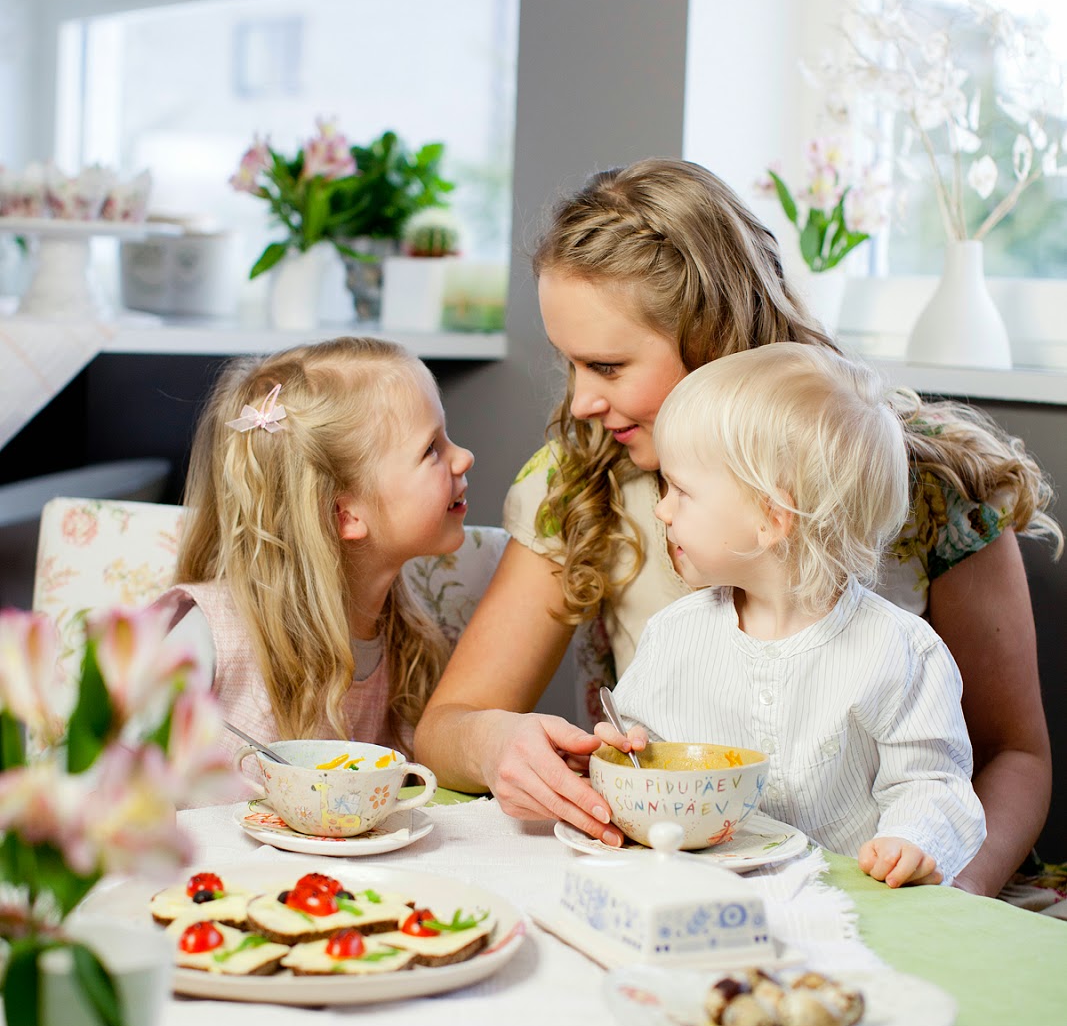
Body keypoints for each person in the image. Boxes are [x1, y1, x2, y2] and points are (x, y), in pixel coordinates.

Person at [414, 158, 1060, 895]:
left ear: (710, 331)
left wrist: (943, 899)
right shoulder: (581, 480)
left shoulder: (916, 478)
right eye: (570, 365)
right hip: (698, 881)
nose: (582, 402)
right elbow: (448, 727)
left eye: (607, 365)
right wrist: (498, 741)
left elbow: (1014, 755)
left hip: (902, 884)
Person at [593, 343, 985, 887]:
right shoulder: (675, 635)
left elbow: (932, 783)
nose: (662, 509)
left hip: (847, 906)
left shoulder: (900, 651)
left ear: (771, 518)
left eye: (680, 491)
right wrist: (620, 755)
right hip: (699, 888)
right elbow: (644, 750)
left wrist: (913, 841)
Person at [164, 335, 474, 757]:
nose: (465, 457)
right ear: (346, 514)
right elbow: (108, 781)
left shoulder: (406, 643)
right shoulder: (210, 636)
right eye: (431, 450)